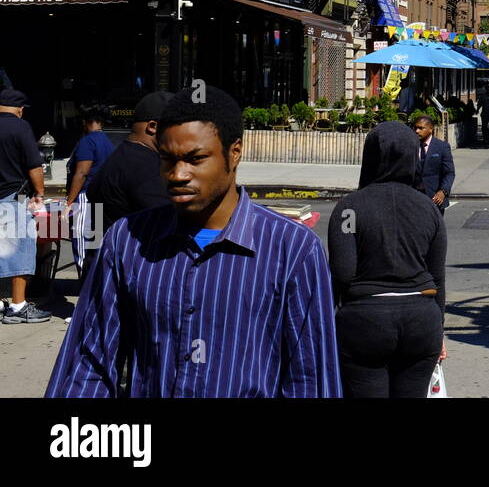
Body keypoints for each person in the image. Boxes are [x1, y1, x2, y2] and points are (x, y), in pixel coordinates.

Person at [46, 86, 341, 397]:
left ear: (234, 152)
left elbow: (310, 378)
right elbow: (88, 362)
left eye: (195, 159)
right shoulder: (127, 240)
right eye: (167, 160)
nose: (178, 174)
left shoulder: (292, 248)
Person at [329, 122, 447, 398]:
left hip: (365, 324)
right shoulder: (428, 208)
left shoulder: (350, 208)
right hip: (421, 321)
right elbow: (438, 277)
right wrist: (438, 330)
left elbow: (343, 273)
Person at [86, 91, 174, 235]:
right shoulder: (144, 167)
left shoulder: (122, 156)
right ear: (153, 126)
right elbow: (166, 222)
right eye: (176, 126)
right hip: (132, 254)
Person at [0, 89, 50, 324]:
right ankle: (18, 306)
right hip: (14, 197)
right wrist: (40, 192)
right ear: (20, 109)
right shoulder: (21, 127)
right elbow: (34, 165)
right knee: (20, 251)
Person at [64, 103, 114, 274]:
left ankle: (85, 284)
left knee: (81, 242)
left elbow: (81, 173)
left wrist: (69, 202)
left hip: (85, 197)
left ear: (85, 122)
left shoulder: (87, 141)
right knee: (94, 242)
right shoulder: (107, 141)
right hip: (100, 197)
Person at [412, 115, 455, 212]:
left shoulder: (442, 147)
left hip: (435, 199)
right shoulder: (410, 146)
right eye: (415, 128)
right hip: (415, 199)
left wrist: (443, 191)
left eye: (421, 128)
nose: (417, 131)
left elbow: (449, 173)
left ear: (431, 129)